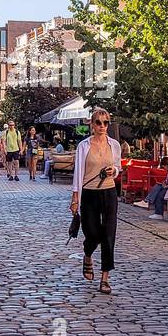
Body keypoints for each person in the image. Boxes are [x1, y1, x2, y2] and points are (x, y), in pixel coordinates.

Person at [70, 107, 121, 295]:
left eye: (105, 122)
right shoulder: (84, 146)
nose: (102, 126)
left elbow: (118, 168)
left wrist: (113, 171)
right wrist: (75, 197)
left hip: (108, 193)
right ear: (92, 124)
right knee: (92, 233)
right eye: (98, 122)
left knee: (108, 235)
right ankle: (87, 254)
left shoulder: (114, 145)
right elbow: (78, 174)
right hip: (89, 194)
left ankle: (105, 278)